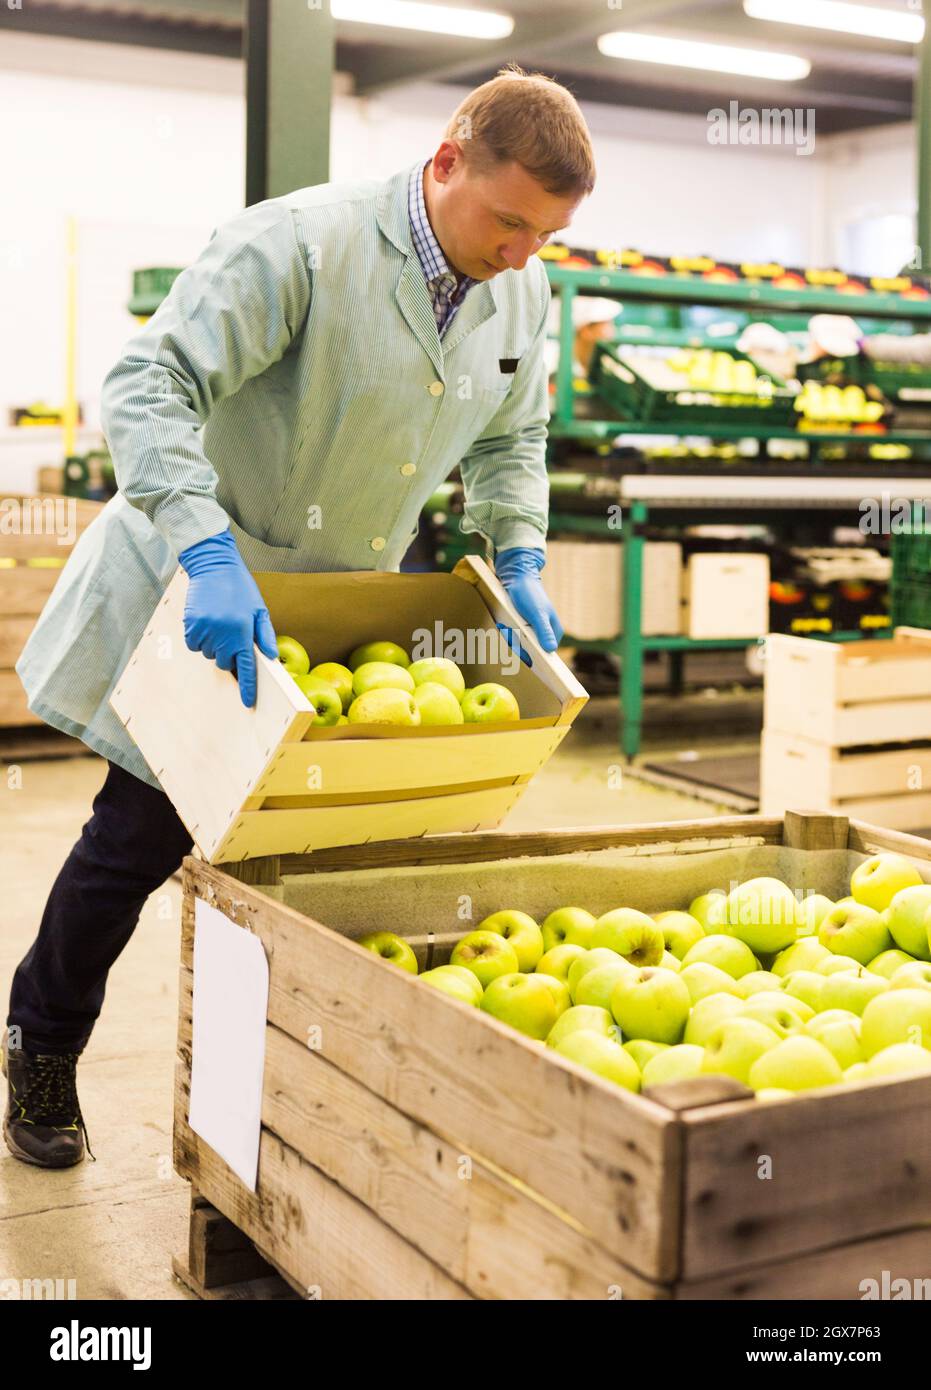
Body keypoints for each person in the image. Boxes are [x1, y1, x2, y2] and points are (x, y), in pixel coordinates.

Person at [4, 65, 596, 1166]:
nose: (523, 252)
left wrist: (517, 553)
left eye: (545, 235)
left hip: (338, 615)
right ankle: (41, 1040)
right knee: (136, 838)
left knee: (315, 867)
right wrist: (211, 549)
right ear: (444, 164)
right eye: (510, 222)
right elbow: (146, 385)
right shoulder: (300, 244)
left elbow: (515, 436)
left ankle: (290, 1098)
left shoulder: (522, 288)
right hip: (207, 593)